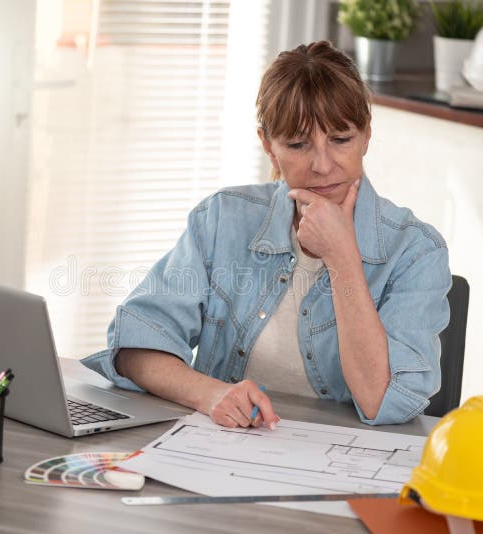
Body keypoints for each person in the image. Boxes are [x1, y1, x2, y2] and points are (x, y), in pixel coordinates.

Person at [82, 41, 451, 428]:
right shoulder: (222, 219)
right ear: (268, 147)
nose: (323, 166)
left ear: (366, 136)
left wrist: (342, 257)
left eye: (341, 140)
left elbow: (382, 401)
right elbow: (135, 348)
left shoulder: (416, 251)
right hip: (223, 452)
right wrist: (212, 394)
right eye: (297, 144)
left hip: (343, 466)